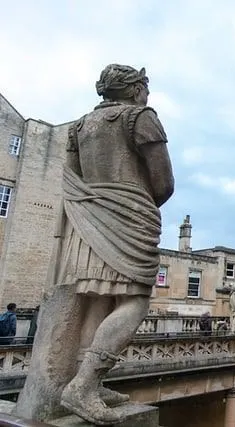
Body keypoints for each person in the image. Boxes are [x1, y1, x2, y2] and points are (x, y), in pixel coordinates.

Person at [38, 64, 174, 425]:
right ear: (134, 89)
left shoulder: (81, 126)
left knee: (98, 296)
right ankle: (83, 385)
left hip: (89, 216)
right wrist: (136, 204)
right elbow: (163, 181)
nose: (147, 93)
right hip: (130, 212)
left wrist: (99, 204)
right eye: (144, 86)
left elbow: (73, 176)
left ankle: (90, 383)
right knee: (136, 300)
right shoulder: (141, 117)